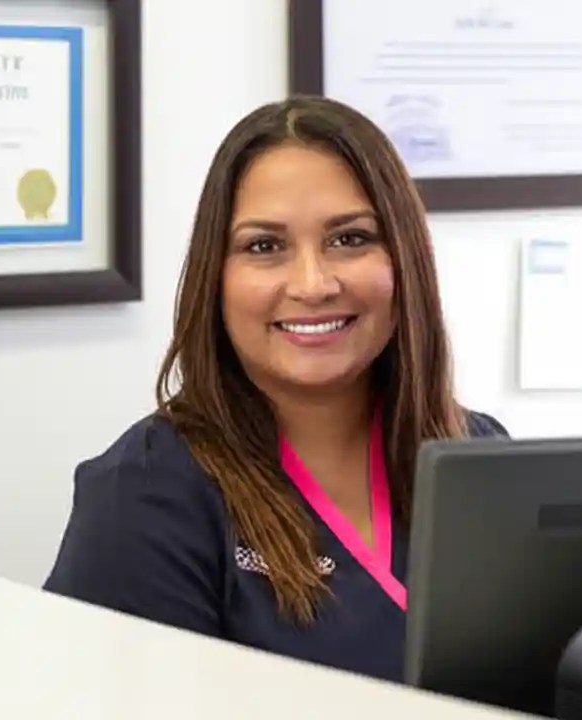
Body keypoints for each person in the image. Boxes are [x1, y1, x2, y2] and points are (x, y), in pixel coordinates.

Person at [43, 95, 508, 682]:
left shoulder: (477, 455)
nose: (313, 284)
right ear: (217, 276)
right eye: (265, 246)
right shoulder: (146, 491)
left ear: (405, 259)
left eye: (351, 239)